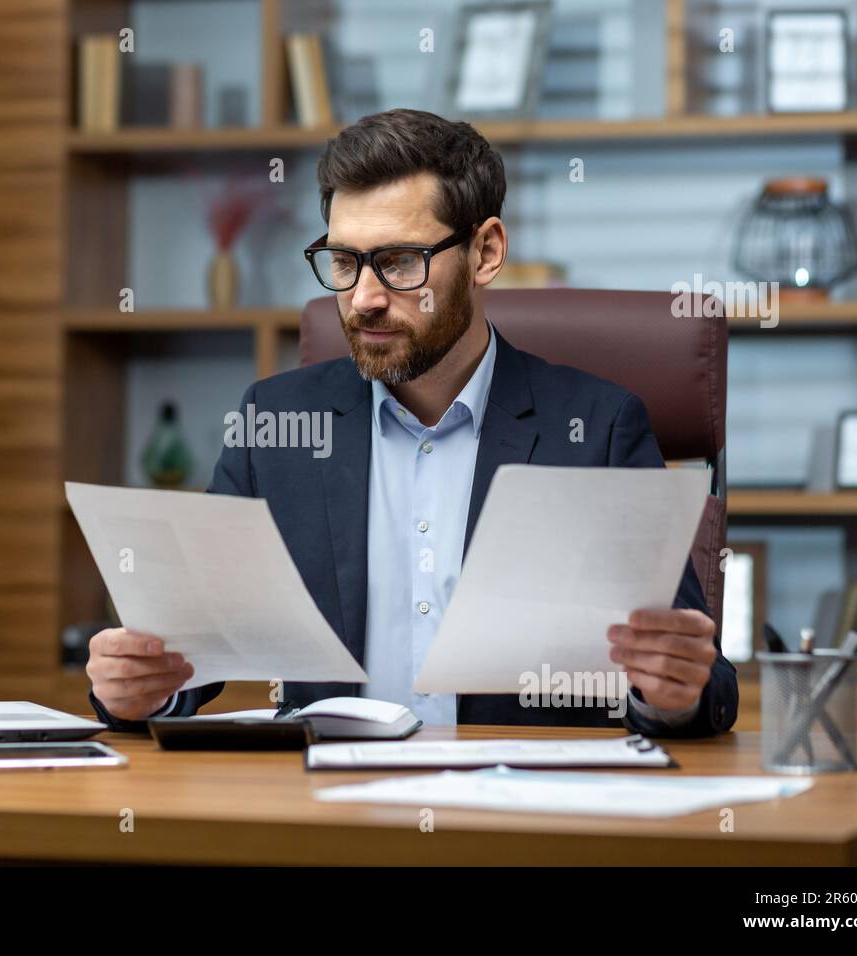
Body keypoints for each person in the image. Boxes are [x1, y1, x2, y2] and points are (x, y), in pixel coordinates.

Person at [87, 108, 737, 737]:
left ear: (485, 252)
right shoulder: (277, 424)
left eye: (399, 262)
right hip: (327, 815)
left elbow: (700, 679)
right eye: (344, 263)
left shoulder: (597, 428)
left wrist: (673, 693)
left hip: (521, 812)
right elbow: (192, 653)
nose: (364, 298)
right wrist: (138, 687)